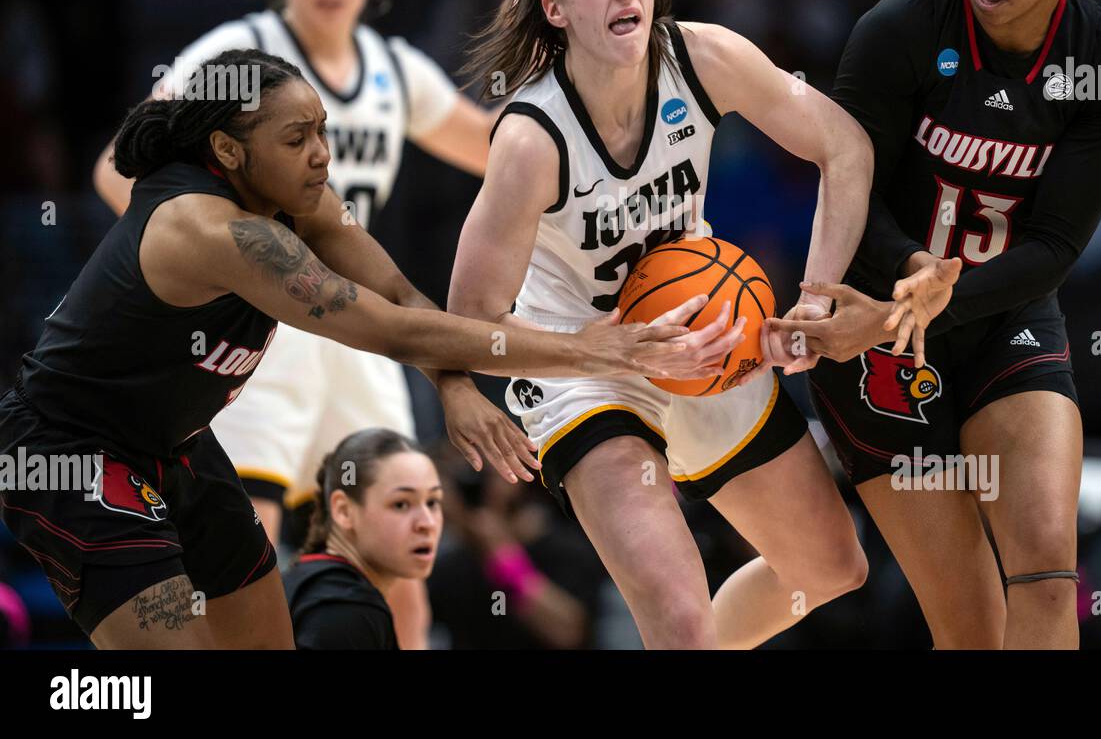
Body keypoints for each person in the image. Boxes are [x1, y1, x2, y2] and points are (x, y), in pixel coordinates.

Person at [0, 49, 711, 648]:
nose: (321, 156)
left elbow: (402, 295)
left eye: (322, 131)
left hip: (177, 442)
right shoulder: (214, 231)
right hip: (68, 452)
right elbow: (390, 330)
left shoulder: (297, 195)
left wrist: (456, 388)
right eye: (296, 139)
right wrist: (591, 352)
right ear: (227, 150)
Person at [449, 0, 875, 650]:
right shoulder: (530, 138)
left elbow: (845, 149)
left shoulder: (704, 59)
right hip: (582, 370)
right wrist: (600, 351)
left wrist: (812, 301)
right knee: (679, 621)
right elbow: (470, 320)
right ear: (555, 10)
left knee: (832, 566)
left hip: (703, 336)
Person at [90, 0, 502, 647]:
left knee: (401, 565)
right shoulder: (236, 58)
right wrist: (200, 258)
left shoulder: (393, 68)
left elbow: (496, 151)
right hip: (261, 327)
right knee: (248, 549)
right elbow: (118, 168)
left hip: (358, 328)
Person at [770, 0, 1101, 649]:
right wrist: (911, 273)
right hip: (875, 334)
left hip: (1004, 314)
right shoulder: (900, 26)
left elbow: (1054, 245)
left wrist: (944, 293)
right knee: (973, 629)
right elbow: (848, 188)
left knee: (1048, 570)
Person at [284, 429, 441, 650]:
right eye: (401, 504)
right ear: (344, 510)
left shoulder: (307, 580)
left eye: (433, 502)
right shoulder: (348, 611)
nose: (427, 523)